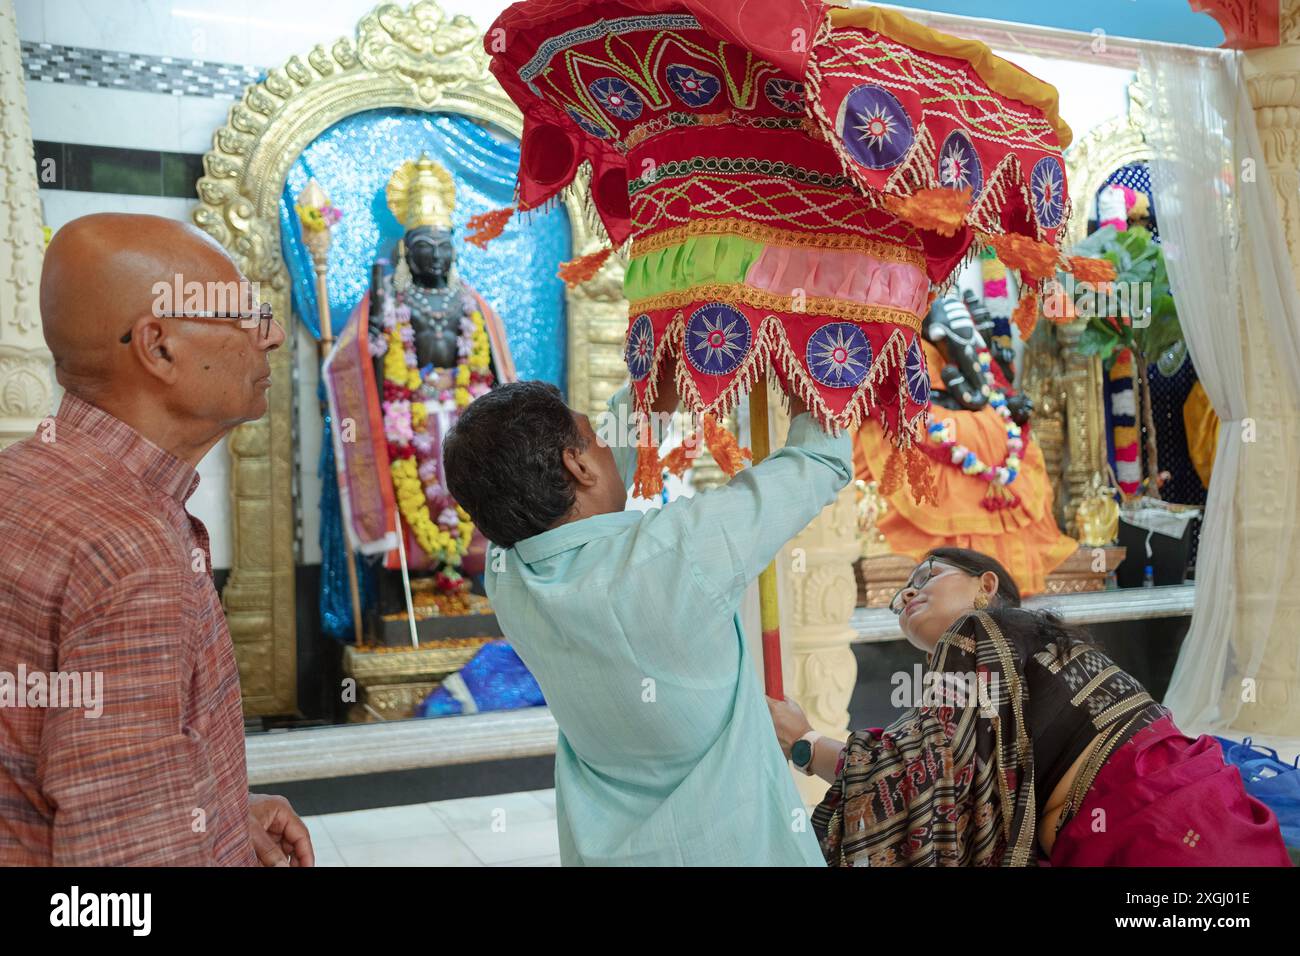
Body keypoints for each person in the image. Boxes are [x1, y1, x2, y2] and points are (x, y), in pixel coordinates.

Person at [443, 357, 852, 865]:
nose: (607, 446)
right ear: (577, 465)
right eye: (593, 438)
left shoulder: (506, 575)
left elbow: (624, 435)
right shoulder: (674, 554)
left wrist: (672, 356)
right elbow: (819, 463)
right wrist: (814, 359)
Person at [0, 213, 313, 866]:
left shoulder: (24, 477)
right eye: (245, 315)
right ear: (159, 347)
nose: (275, 335)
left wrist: (217, 812)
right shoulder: (133, 554)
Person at [767, 547, 1290, 866]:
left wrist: (808, 745)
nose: (907, 596)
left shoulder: (979, 632)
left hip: (1157, 839)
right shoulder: (1035, 644)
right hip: (1198, 823)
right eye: (899, 597)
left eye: (926, 576)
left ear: (985, 585)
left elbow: (925, 771)